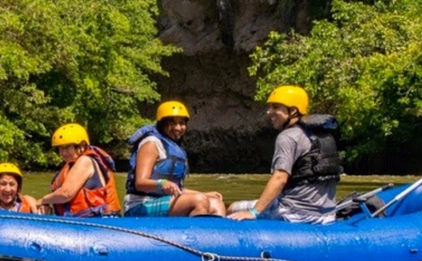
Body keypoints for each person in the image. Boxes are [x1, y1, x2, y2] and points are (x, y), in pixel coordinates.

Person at [227, 85, 343, 224]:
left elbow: (280, 178)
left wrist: (254, 212)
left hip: (294, 214)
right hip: (328, 215)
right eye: (269, 107)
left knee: (232, 208)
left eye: (275, 107)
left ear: (293, 111)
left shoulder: (288, 137)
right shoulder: (324, 135)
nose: (269, 112)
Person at [124, 101, 225, 216]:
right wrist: (162, 183)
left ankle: (214, 233)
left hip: (166, 201)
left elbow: (176, 189)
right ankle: (192, 232)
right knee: (199, 200)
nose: (178, 128)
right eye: (172, 123)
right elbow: (140, 183)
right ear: (162, 123)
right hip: (140, 205)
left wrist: (204, 193)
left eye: (182, 123)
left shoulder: (176, 149)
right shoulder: (151, 143)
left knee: (216, 203)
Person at [38, 123, 122, 217]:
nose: (63, 152)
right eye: (60, 148)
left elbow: (65, 194)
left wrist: (42, 201)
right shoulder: (71, 166)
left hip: (98, 221)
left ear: (82, 145)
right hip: (81, 221)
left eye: (68, 147)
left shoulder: (85, 161)